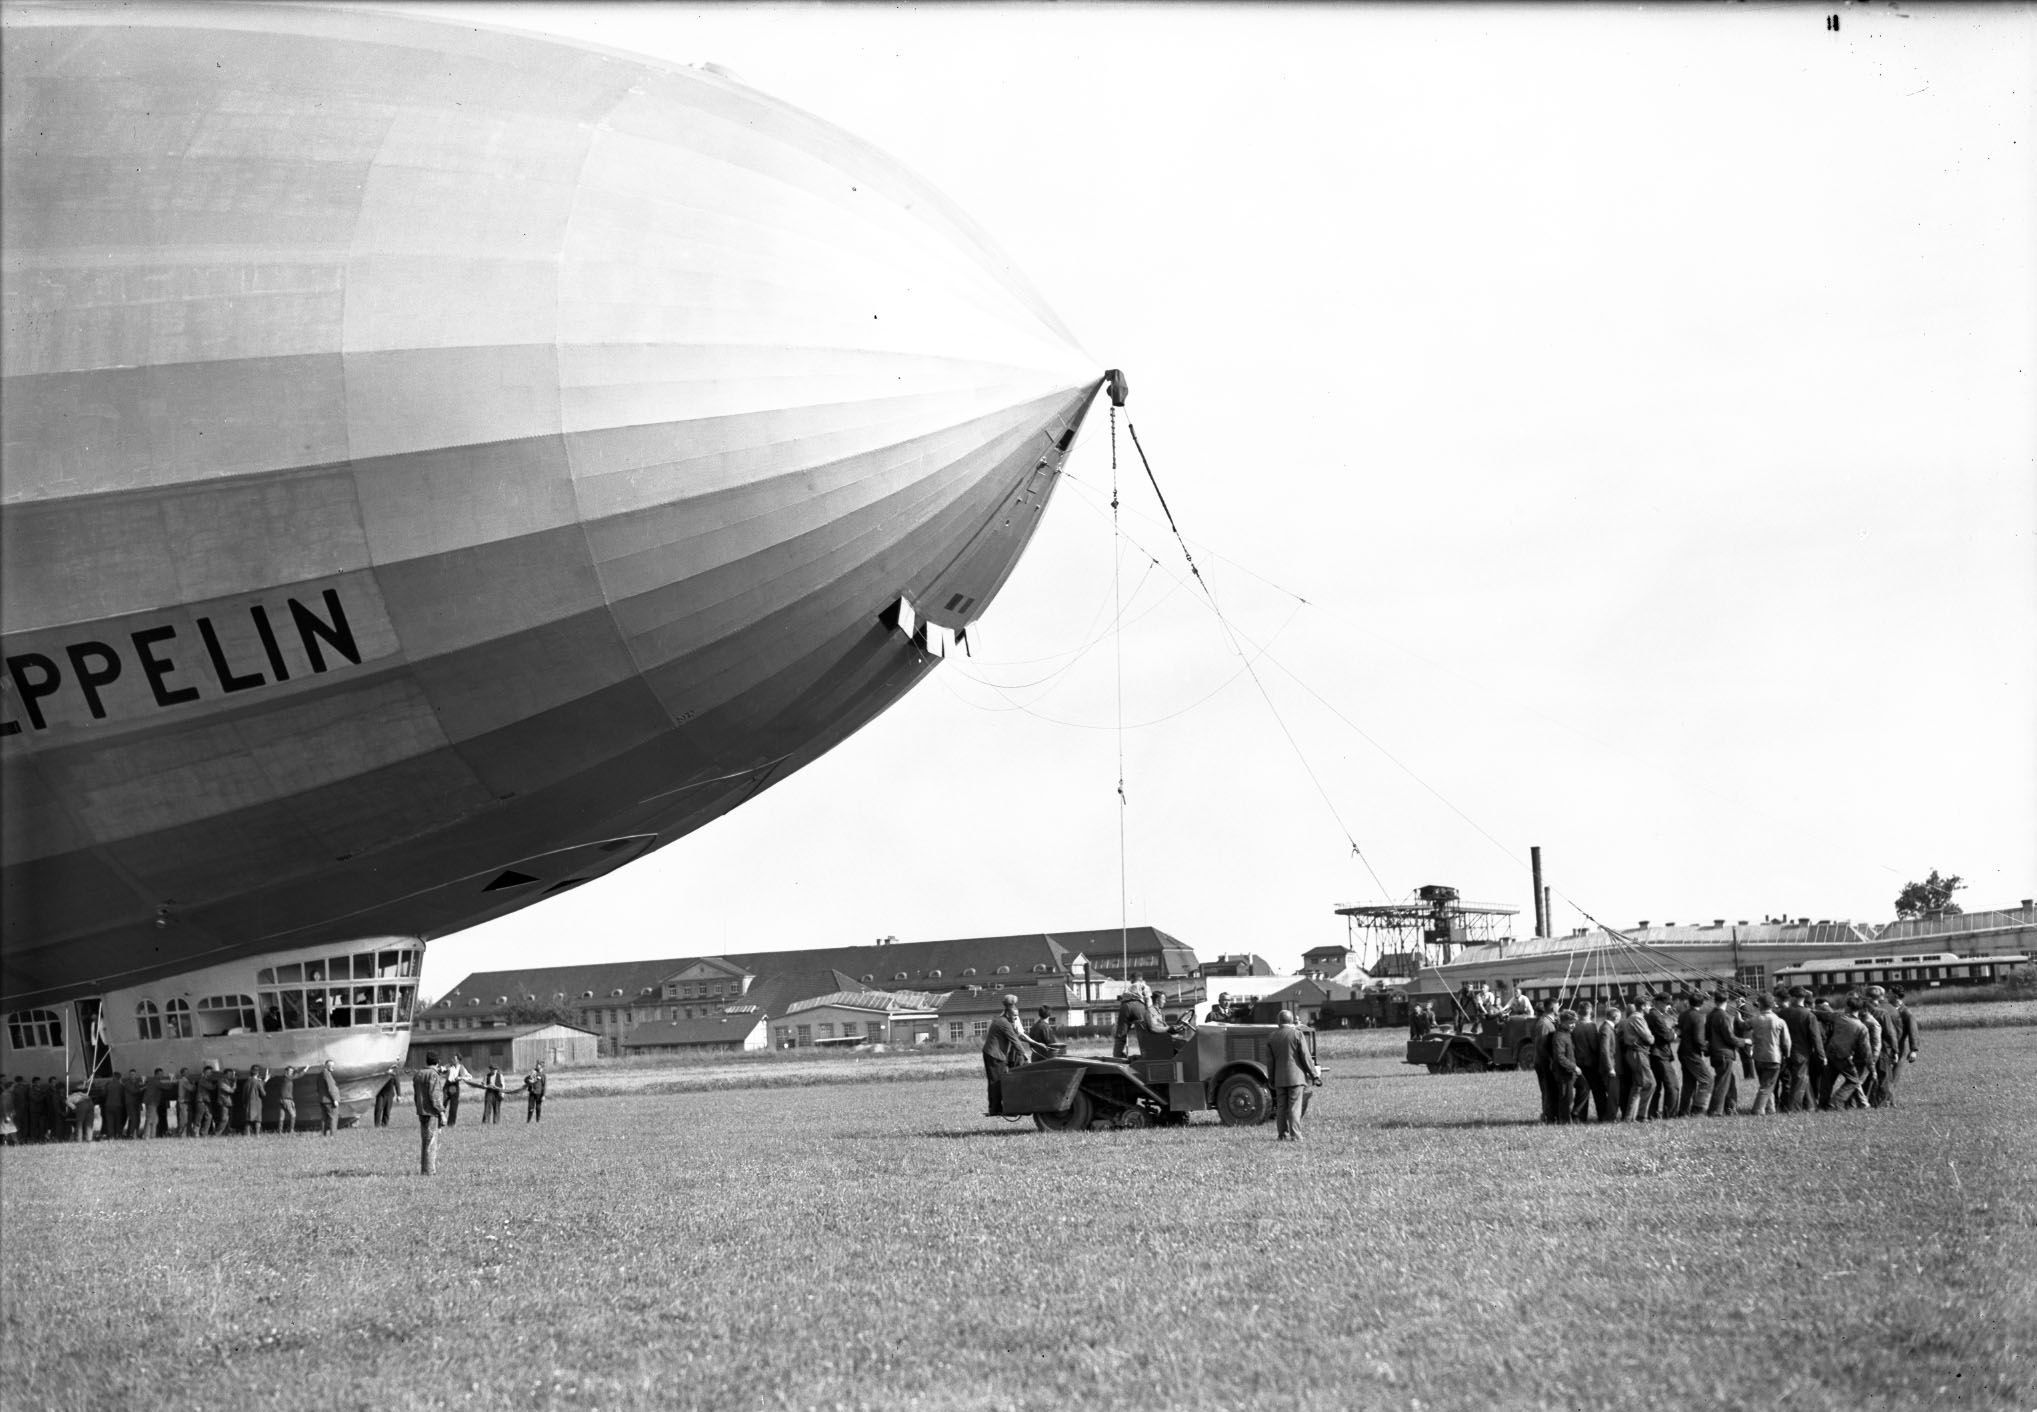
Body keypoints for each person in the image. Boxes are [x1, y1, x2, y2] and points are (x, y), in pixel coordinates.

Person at [982, 995, 1047, 1117]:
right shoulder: (1004, 1023)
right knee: (996, 1081)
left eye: (1016, 1017)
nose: (1015, 1019)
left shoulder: (1004, 1019)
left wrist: (1035, 1044)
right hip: (994, 1054)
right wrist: (1025, 1056)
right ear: (1007, 1013)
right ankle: (995, 1109)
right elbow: (1015, 1040)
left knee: (998, 1080)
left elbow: (1018, 1035)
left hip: (995, 1053)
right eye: (1014, 1017)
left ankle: (997, 1107)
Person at [1266, 1010, 1322, 1141]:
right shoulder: (1297, 1034)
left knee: (1281, 1108)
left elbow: (1270, 1062)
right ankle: (1296, 1135)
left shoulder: (1272, 1037)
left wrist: (1272, 1078)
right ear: (1291, 1021)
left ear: (1278, 1021)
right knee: (1294, 1107)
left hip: (1279, 1079)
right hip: (1296, 1078)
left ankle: (1282, 1134)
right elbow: (1305, 1056)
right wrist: (1314, 1075)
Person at [1779, 988, 1826, 1112]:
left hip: (1785, 1052)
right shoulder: (1809, 1015)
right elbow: (1816, 1038)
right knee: (1800, 1079)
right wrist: (1821, 1055)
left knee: (1803, 1078)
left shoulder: (1782, 1013)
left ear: (1792, 997)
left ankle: (1811, 1105)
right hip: (1802, 1053)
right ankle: (1793, 1108)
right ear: (1803, 998)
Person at [1569, 1003, 1616, 1123]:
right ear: (1590, 1012)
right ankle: (1603, 1115)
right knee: (1598, 1091)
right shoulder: (1591, 1026)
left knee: (1583, 1090)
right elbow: (1594, 1045)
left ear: (1579, 1012)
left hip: (1578, 1062)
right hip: (1591, 1063)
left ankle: (1580, 1117)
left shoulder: (1574, 1026)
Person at [1746, 994, 1791, 1115]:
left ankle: (1770, 1109)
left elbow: (1742, 1026)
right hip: (1774, 1057)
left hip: (1758, 1057)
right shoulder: (1780, 1021)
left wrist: (1738, 1017)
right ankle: (1757, 1109)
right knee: (1767, 1085)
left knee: (1765, 1084)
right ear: (1772, 1005)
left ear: (1760, 1004)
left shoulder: (1754, 1019)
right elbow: (1786, 1042)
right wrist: (1787, 1055)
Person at [1704, 993, 1745, 1116]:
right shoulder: (1723, 1016)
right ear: (1727, 1001)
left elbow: (1707, 1035)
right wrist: (1744, 1041)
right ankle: (1715, 1110)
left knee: (1730, 1081)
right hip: (1723, 1054)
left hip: (1715, 1053)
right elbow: (1729, 1037)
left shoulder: (1710, 1015)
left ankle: (1730, 1108)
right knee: (1722, 1083)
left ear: (1714, 1000)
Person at [1616, 1001, 1657, 1122]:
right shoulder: (1637, 1018)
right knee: (1650, 1084)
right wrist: (1652, 1038)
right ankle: (1641, 1115)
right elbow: (1649, 1038)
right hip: (1638, 1053)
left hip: (1635, 1052)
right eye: (1649, 1005)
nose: (1650, 1007)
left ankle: (1629, 1117)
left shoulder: (1630, 1019)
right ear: (1643, 1006)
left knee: (1638, 1085)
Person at [1536, 1010, 1580, 1124]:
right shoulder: (1559, 1036)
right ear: (1564, 1022)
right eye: (1571, 1023)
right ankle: (1564, 1121)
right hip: (1564, 1072)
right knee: (1566, 1098)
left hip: (1570, 1071)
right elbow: (1559, 1057)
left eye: (1574, 1022)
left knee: (1583, 1088)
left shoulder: (1567, 1033)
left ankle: (1574, 1115)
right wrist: (1574, 1067)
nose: (1573, 1025)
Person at [1645, 993, 1682, 1119]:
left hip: (1655, 1054)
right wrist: (1676, 1033)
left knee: (1657, 1087)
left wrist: (1671, 1031)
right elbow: (1666, 1036)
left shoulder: (1654, 1015)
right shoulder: (1655, 1016)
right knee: (1673, 1085)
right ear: (1658, 1002)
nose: (1668, 1006)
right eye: (1666, 1004)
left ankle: (1652, 1114)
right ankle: (1670, 1114)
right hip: (1660, 1055)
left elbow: (1664, 1032)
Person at [1882, 986, 1920, 1106]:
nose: (1886, 996)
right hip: (1887, 1048)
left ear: (1896, 996)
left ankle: (1888, 1102)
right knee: (1886, 1077)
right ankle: (1887, 1101)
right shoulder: (1887, 1009)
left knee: (1893, 1078)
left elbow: (1913, 1032)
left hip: (1900, 1049)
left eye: (1889, 993)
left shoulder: (1906, 1013)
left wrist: (1914, 1050)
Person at [413, 1052, 447, 1175]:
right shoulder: (433, 1075)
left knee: (425, 1140)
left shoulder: (418, 1074)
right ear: (437, 1062)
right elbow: (435, 1096)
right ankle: (429, 1171)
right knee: (432, 1142)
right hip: (431, 1112)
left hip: (421, 1111)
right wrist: (442, 1112)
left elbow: (416, 1095)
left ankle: (424, 1169)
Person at [1530, 1000, 1560, 1122]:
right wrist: (1550, 1062)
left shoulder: (1548, 1021)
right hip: (1544, 1063)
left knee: (1551, 1089)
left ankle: (1551, 1114)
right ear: (1553, 1008)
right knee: (1547, 1089)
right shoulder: (1544, 1023)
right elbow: (1541, 1046)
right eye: (1557, 1007)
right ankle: (1547, 1115)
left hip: (1546, 1062)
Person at [274, 1065, 300, 1133]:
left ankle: (280, 1131)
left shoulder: (283, 1078)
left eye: (292, 1071)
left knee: (281, 1116)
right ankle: (291, 1130)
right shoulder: (288, 1077)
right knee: (293, 1115)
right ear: (286, 1072)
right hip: (286, 1099)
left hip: (282, 1099)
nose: (291, 1072)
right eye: (290, 1071)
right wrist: (304, 1069)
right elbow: (298, 1075)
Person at [318, 1060, 341, 1135]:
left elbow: (318, 1087)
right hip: (329, 1100)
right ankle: (333, 1136)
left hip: (322, 1100)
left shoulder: (320, 1074)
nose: (332, 1067)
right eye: (330, 1065)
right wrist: (335, 1099)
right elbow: (331, 1088)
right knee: (333, 1118)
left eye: (333, 1065)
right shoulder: (327, 1074)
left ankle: (323, 1134)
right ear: (326, 1066)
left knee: (324, 1118)